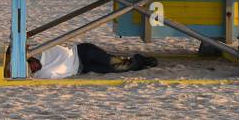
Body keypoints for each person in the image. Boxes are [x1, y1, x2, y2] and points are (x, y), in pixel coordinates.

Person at [24, 42, 157, 78]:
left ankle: (141, 60)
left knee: (112, 61)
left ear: (30, 59)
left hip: (82, 52)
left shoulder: (41, 51)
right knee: (116, 69)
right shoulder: (41, 74)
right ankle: (138, 61)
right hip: (82, 69)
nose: (35, 67)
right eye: (33, 70)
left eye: (32, 64)